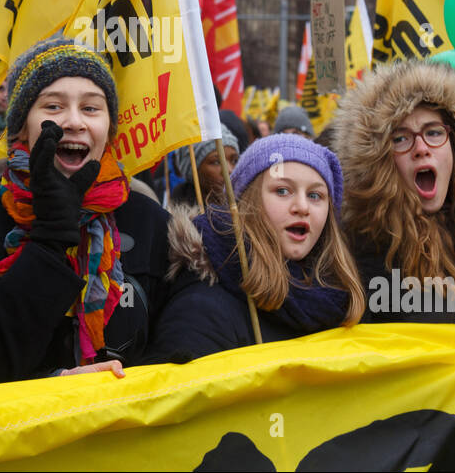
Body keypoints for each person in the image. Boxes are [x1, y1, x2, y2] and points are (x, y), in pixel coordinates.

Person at [0, 35, 170, 379]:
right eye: (53, 107)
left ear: (109, 127)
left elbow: (180, 336)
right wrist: (49, 238)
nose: (74, 122)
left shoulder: (148, 220)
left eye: (91, 108)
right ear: (21, 128)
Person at [144, 135, 363, 363]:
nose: (302, 207)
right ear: (247, 201)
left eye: (315, 195)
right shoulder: (201, 309)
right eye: (282, 191)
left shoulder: (341, 300)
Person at [333, 60, 455, 323]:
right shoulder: (353, 248)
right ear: (380, 162)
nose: (421, 148)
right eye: (400, 138)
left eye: (433, 132)